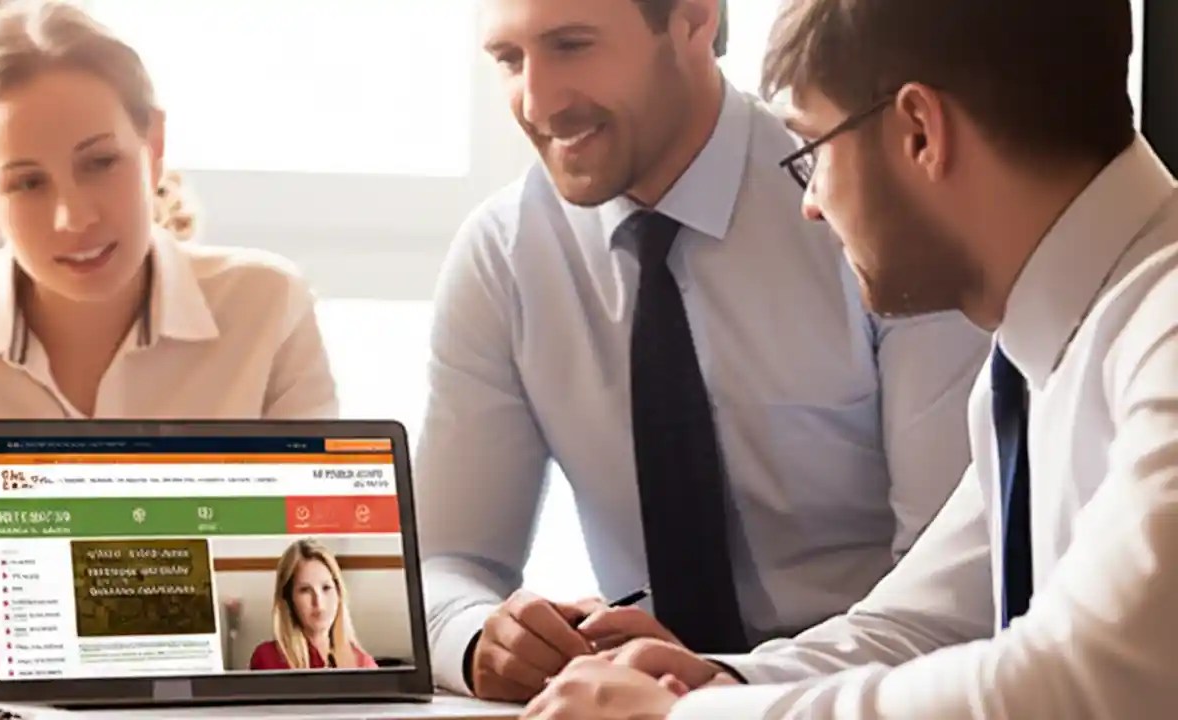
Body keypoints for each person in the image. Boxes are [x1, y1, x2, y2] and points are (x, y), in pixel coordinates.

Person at [522, 0, 1178, 717]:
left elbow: (1094, 677)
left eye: (812, 151)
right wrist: (718, 684)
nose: (812, 204)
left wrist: (678, 717)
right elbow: (922, 625)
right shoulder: (1038, 356)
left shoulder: (1163, 332)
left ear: (920, 133)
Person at [416, 0, 990, 702]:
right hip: (628, 701)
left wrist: (728, 690)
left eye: (572, 46)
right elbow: (446, 560)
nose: (538, 102)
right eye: (510, 60)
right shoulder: (504, 254)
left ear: (693, 20)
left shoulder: (871, 205)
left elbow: (957, 586)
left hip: (860, 696)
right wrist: (482, 636)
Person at [0, 0, 337, 670]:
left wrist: (18, 631)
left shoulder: (266, 303)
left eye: (99, 163)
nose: (73, 216)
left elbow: (311, 568)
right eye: (27, 183)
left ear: (153, 145)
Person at [248, 539, 377, 671]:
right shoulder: (267, 659)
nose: (318, 602)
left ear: (339, 593)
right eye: (305, 590)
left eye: (326, 588)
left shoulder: (361, 662)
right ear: (288, 598)